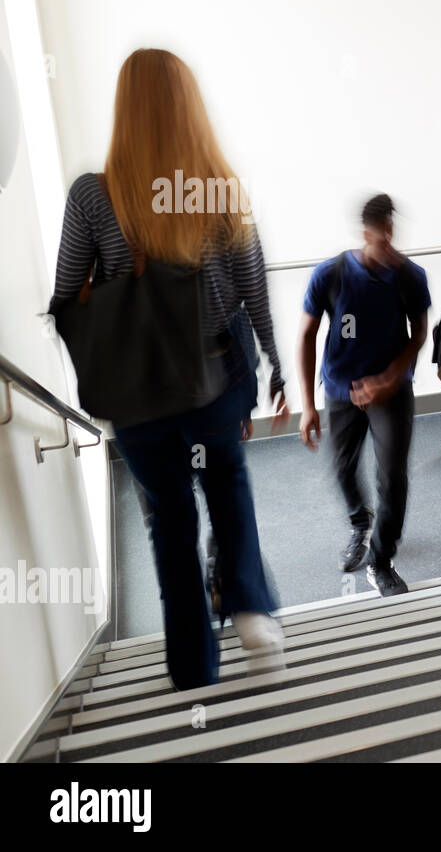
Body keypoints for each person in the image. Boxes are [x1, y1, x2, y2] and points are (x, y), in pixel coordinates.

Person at [50, 48, 289, 689]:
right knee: (227, 485)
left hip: (137, 393)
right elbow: (252, 288)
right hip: (216, 378)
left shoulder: (91, 194)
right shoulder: (220, 186)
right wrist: (274, 362)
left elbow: (67, 294)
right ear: (189, 107)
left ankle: (191, 666)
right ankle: (250, 610)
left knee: (169, 518)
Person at [297, 193, 431, 597]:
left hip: (391, 392)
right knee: (342, 468)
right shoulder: (331, 274)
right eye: (379, 233)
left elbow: (419, 333)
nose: (386, 239)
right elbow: (306, 335)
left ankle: (381, 560)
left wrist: (389, 379)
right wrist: (308, 406)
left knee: (392, 476)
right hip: (341, 388)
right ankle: (360, 521)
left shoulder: (410, 276)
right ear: (365, 232)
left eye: (391, 231)